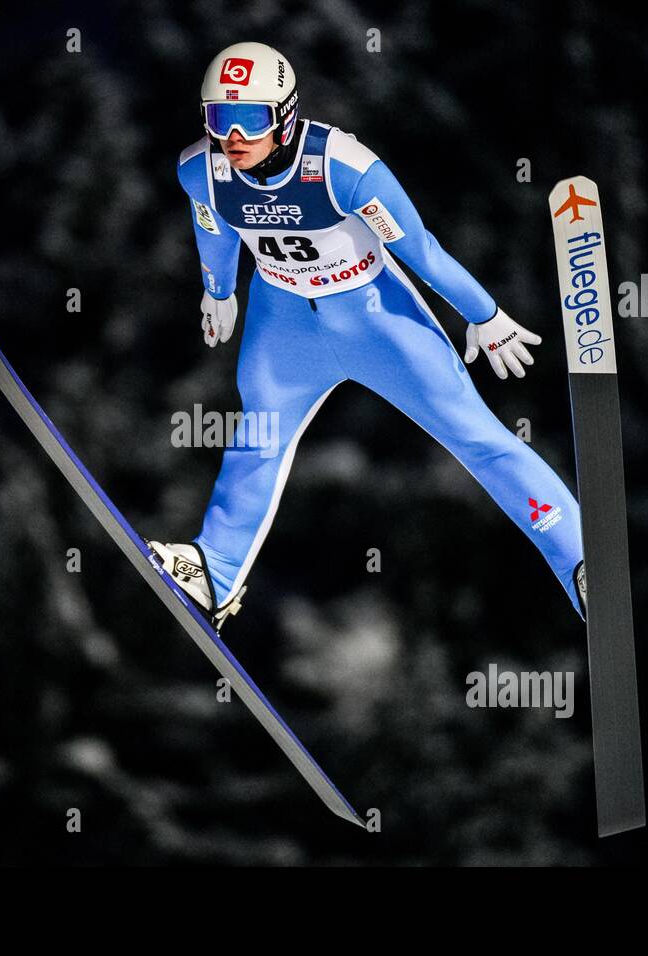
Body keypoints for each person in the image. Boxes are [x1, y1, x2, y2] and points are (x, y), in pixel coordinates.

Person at [148, 41, 586, 630]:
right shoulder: (201, 169)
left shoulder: (343, 167)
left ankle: (579, 560)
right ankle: (216, 572)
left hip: (375, 317)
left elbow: (420, 247)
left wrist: (483, 314)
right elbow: (217, 229)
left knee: (474, 435)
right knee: (258, 436)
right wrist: (218, 290)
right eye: (219, 119)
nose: (234, 136)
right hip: (283, 322)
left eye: (250, 118)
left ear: (285, 114)